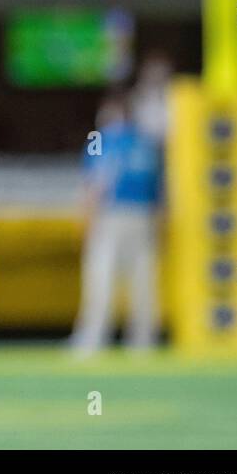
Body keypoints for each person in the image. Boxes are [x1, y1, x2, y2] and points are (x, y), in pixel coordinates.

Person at [69, 87, 162, 353]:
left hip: (111, 216)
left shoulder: (104, 140)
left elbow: (97, 183)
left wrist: (86, 218)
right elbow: (159, 189)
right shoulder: (145, 142)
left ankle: (93, 339)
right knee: (143, 280)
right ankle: (144, 341)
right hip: (143, 217)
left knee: (101, 276)